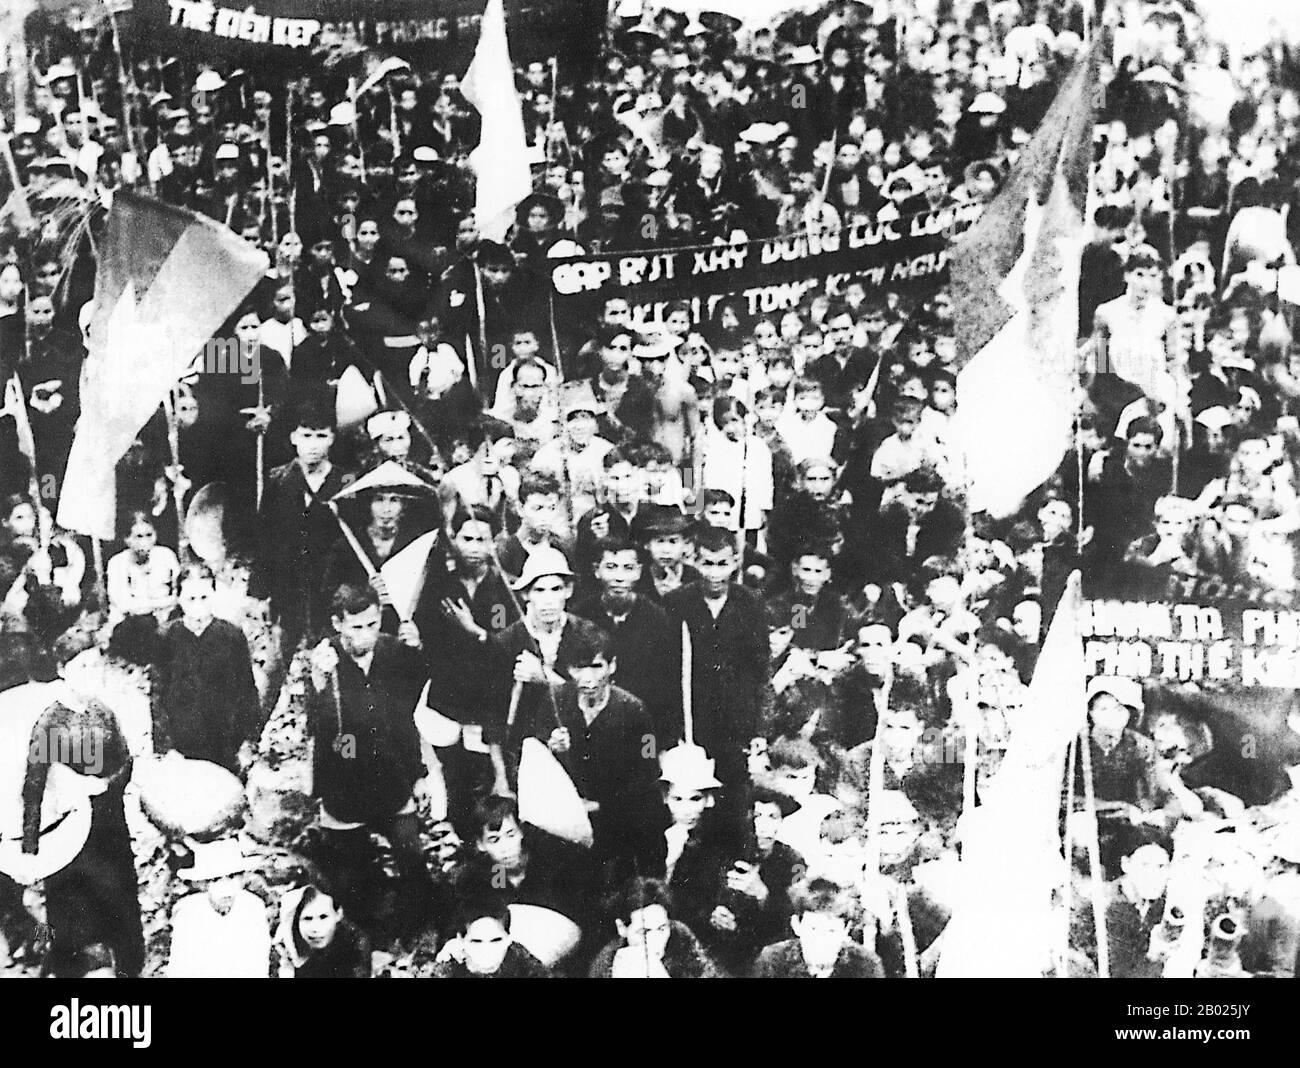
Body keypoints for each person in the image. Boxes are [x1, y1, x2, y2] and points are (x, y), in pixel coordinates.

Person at [305, 583, 431, 938]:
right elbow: (315, 726)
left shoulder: (393, 650)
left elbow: (409, 717)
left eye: (373, 624)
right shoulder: (323, 659)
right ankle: (364, 941)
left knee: (414, 861)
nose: (367, 634)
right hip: (344, 786)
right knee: (350, 878)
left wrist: (419, 774)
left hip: (391, 778)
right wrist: (317, 682)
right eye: (357, 626)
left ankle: (416, 933)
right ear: (337, 623)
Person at [17, 632, 142, 978]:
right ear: (64, 671)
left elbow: (125, 762)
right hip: (68, 836)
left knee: (122, 907)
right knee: (67, 919)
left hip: (109, 828)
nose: (93, 671)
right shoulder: (50, 723)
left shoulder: (104, 712)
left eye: (96, 664)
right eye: (83, 665)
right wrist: (31, 848)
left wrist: (103, 786)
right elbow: (34, 785)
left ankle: (129, 970)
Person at [665, 525, 771, 845]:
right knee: (688, 806)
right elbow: (666, 671)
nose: (715, 572)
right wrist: (672, 732)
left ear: (736, 562)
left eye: (722, 564)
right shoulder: (676, 602)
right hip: (690, 722)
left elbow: (760, 670)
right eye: (707, 564)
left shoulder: (750, 603)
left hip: (735, 725)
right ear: (694, 561)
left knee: (731, 805)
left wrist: (759, 731)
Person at [541, 620, 667, 876]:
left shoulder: (634, 711)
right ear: (568, 668)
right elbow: (532, 755)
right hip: (568, 824)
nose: (588, 678)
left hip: (619, 823)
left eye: (596, 666)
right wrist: (550, 746)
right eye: (579, 668)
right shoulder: (556, 700)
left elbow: (647, 777)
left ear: (612, 666)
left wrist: (601, 806)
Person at [152, 564, 262, 776]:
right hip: (182, 744)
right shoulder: (166, 637)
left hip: (226, 741)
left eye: (204, 598)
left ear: (213, 595)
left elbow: (247, 690)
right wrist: (165, 748)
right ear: (179, 598)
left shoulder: (231, 636)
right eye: (191, 599)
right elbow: (158, 694)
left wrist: (249, 740)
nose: (198, 606)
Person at [167, 838, 270, 978]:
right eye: (215, 879)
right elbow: (179, 966)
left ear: (243, 876)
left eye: (232, 876)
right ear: (203, 883)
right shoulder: (188, 911)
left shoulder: (253, 906)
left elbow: (259, 961)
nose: (225, 886)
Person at [588, 876, 720, 978]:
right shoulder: (606, 964)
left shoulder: (680, 936)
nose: (656, 940)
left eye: (662, 928)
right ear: (622, 928)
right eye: (644, 932)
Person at [754, 876, 884, 978]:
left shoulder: (866, 965)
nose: (821, 940)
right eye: (813, 929)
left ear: (846, 930)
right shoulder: (773, 961)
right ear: (796, 925)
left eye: (831, 931)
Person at [432, 894, 553, 978]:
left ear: (509, 939)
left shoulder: (527, 967)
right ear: (460, 940)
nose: (487, 951)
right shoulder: (446, 969)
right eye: (476, 941)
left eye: (496, 940)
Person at [276, 882, 373, 978]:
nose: (316, 928)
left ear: (338, 914)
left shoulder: (355, 948)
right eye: (307, 919)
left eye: (323, 917)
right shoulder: (283, 950)